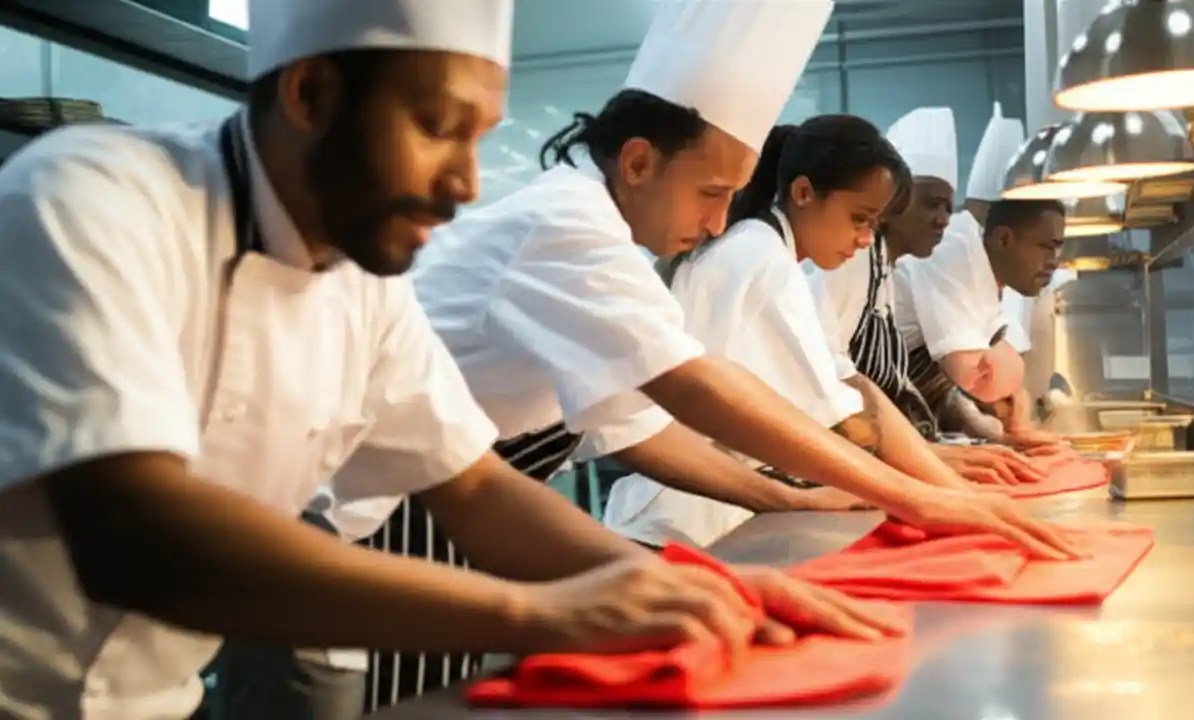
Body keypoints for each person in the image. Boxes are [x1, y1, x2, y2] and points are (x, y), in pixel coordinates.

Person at [0, 2, 896, 718]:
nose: (468, 182)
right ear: (311, 94)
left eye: (481, 138)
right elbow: (134, 535)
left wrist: (689, 587)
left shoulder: (359, 278)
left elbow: (469, 483)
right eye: (438, 128)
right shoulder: (89, 198)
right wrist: (538, 612)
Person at [389, 2, 1079, 682]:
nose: (719, 222)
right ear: (637, 163)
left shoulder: (600, 236)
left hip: (457, 518)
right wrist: (918, 496)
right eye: (710, 192)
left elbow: (640, 429)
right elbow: (694, 385)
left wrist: (789, 500)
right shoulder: (566, 226)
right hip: (385, 528)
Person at [606, 114, 1042, 547]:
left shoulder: (771, 249)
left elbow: (852, 385)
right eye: (859, 218)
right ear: (803, 193)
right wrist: (928, 492)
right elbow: (847, 422)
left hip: (717, 507)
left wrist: (941, 479)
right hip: (686, 520)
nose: (868, 238)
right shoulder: (760, 253)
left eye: (875, 223)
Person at [805, 107, 1045, 485]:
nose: (944, 220)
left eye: (949, 207)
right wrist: (926, 456)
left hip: (874, 458)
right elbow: (829, 379)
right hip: (836, 464)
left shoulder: (884, 271)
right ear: (894, 200)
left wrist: (935, 449)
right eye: (930, 204)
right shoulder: (852, 261)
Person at [895, 197, 1069, 448]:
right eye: (1046, 247)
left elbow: (982, 378)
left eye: (1058, 249)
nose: (1054, 261)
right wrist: (1002, 425)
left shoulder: (987, 271)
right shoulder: (954, 249)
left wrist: (1000, 425)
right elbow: (972, 371)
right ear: (1003, 240)